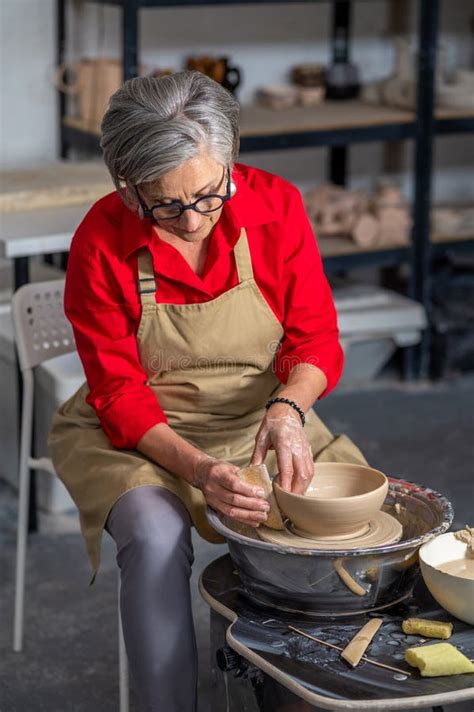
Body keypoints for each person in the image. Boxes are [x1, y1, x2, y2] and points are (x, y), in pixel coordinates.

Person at [49, 70, 366, 712]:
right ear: (127, 185)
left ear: (229, 161)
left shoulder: (275, 206)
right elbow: (119, 394)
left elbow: (316, 339)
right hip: (142, 435)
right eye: (165, 204)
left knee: (336, 534)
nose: (192, 220)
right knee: (154, 534)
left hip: (263, 418)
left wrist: (287, 410)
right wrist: (199, 469)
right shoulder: (100, 241)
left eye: (208, 194)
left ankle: (294, 693)